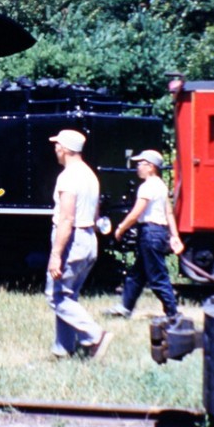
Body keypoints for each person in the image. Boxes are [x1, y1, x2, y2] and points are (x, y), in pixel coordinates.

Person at [45, 130, 112, 359]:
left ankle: (95, 336)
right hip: (88, 239)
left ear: (64, 148)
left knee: (55, 297)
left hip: (72, 239)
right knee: (68, 296)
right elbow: (94, 214)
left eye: (57, 145)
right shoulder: (90, 175)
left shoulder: (68, 177)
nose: (55, 149)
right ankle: (64, 348)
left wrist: (56, 255)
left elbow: (66, 218)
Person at [106, 149, 184, 323]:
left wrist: (120, 228)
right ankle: (125, 306)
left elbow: (136, 213)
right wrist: (174, 235)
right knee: (137, 273)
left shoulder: (147, 187)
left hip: (149, 233)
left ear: (151, 167)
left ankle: (173, 313)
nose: (137, 168)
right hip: (159, 233)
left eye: (140, 164)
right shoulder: (162, 186)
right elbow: (169, 213)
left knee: (157, 276)